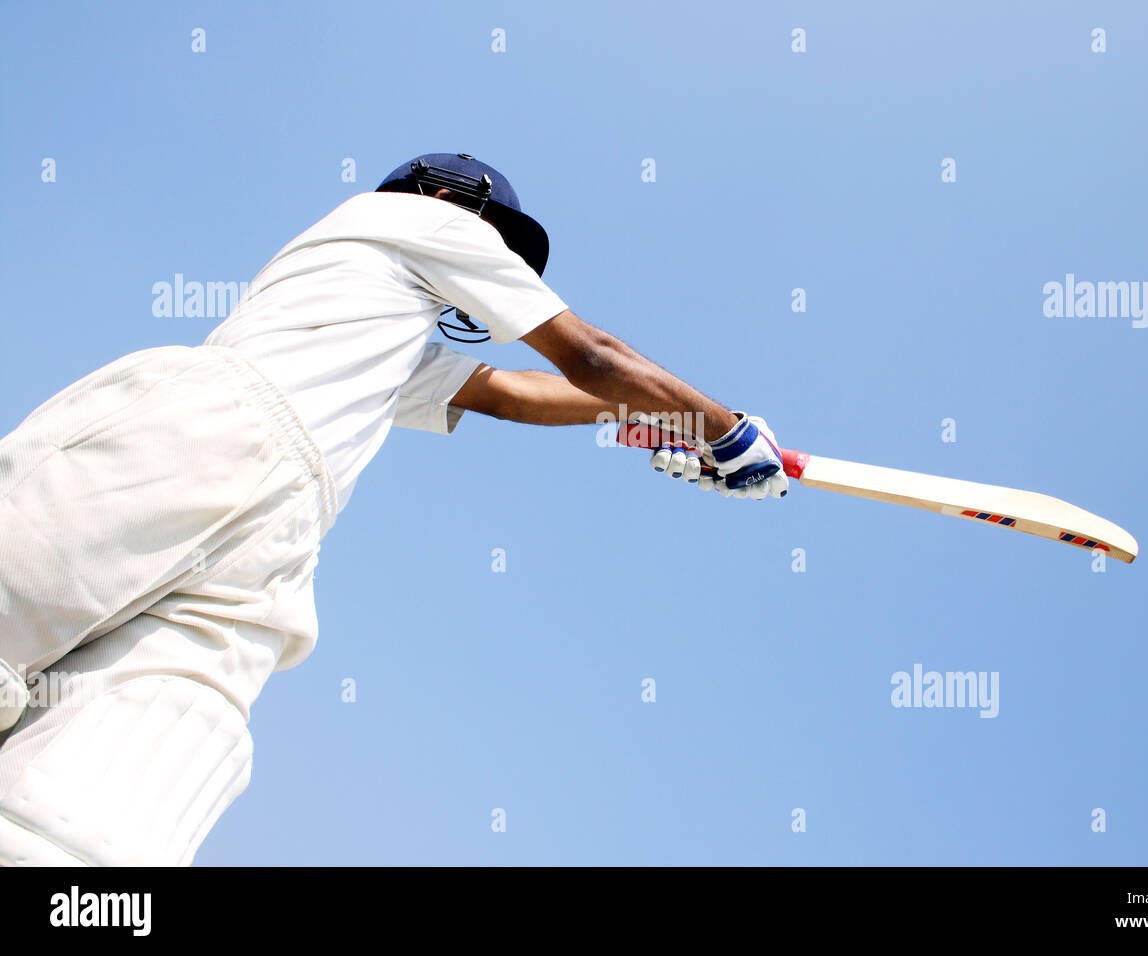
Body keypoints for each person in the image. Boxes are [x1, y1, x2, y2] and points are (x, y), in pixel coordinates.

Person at [0, 152, 786, 866]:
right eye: (500, 243)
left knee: (97, 807)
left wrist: (667, 423)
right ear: (448, 197)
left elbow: (509, 394)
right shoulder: (418, 217)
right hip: (211, 425)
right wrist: (725, 426)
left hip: (283, 524)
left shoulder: (382, 331)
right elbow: (589, 358)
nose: (502, 266)